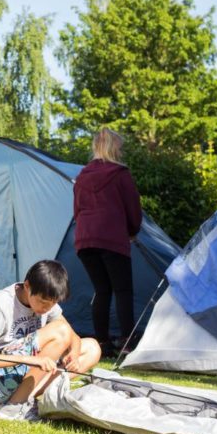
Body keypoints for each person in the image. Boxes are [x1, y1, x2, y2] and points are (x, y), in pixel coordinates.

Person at [0, 260, 101, 421]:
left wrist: (75, 355)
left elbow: (73, 336)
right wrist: (28, 359)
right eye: (43, 302)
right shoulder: (1, 303)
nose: (46, 309)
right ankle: (15, 407)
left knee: (92, 348)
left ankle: (27, 398)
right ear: (27, 286)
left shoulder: (47, 301)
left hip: (19, 375)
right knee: (60, 331)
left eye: (52, 304)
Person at [73, 127, 142, 356]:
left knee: (102, 291)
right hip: (111, 238)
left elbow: (77, 210)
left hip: (85, 240)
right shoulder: (120, 174)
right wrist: (132, 231)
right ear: (115, 148)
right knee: (122, 290)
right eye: (120, 148)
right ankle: (127, 343)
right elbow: (133, 209)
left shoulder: (81, 177)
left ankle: (100, 343)